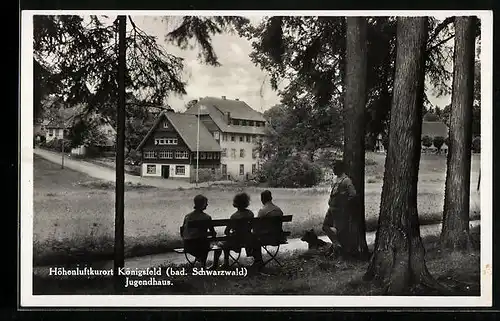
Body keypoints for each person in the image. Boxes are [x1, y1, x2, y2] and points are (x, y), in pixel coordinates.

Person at [212, 193, 264, 268]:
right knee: (227, 240)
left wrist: (232, 233)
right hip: (247, 240)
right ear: (246, 202)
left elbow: (226, 231)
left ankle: (225, 262)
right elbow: (252, 226)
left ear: (235, 203)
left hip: (236, 241)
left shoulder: (234, 216)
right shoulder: (250, 214)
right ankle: (258, 261)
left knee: (222, 242)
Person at [322, 160, 357, 256]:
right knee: (325, 226)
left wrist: (344, 204)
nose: (333, 169)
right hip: (332, 208)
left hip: (340, 211)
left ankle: (339, 252)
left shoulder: (346, 180)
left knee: (340, 231)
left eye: (335, 167)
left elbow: (353, 194)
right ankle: (336, 244)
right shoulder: (336, 179)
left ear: (340, 169)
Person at [181, 194, 220, 268]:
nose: (207, 204)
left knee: (203, 241)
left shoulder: (187, 216)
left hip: (188, 246)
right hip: (202, 246)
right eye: (206, 203)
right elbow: (213, 233)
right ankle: (205, 265)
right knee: (205, 242)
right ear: (202, 204)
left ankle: (201, 261)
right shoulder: (207, 217)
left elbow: (183, 231)